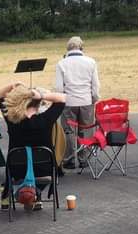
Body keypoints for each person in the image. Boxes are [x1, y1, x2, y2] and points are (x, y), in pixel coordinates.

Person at [0, 82, 67, 210]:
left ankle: (24, 195)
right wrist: (40, 95)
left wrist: (14, 85)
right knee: (45, 163)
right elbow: (62, 98)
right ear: (39, 104)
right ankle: (37, 194)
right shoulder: (46, 119)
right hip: (44, 168)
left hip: (17, 170)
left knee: (24, 160)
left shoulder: (12, 120)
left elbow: (0, 95)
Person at [54, 36, 100, 170]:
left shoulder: (62, 63)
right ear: (81, 47)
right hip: (86, 100)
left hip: (69, 102)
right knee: (85, 130)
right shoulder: (91, 62)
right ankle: (84, 158)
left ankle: (69, 159)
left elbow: (58, 87)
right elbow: (95, 85)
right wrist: (94, 98)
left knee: (68, 131)